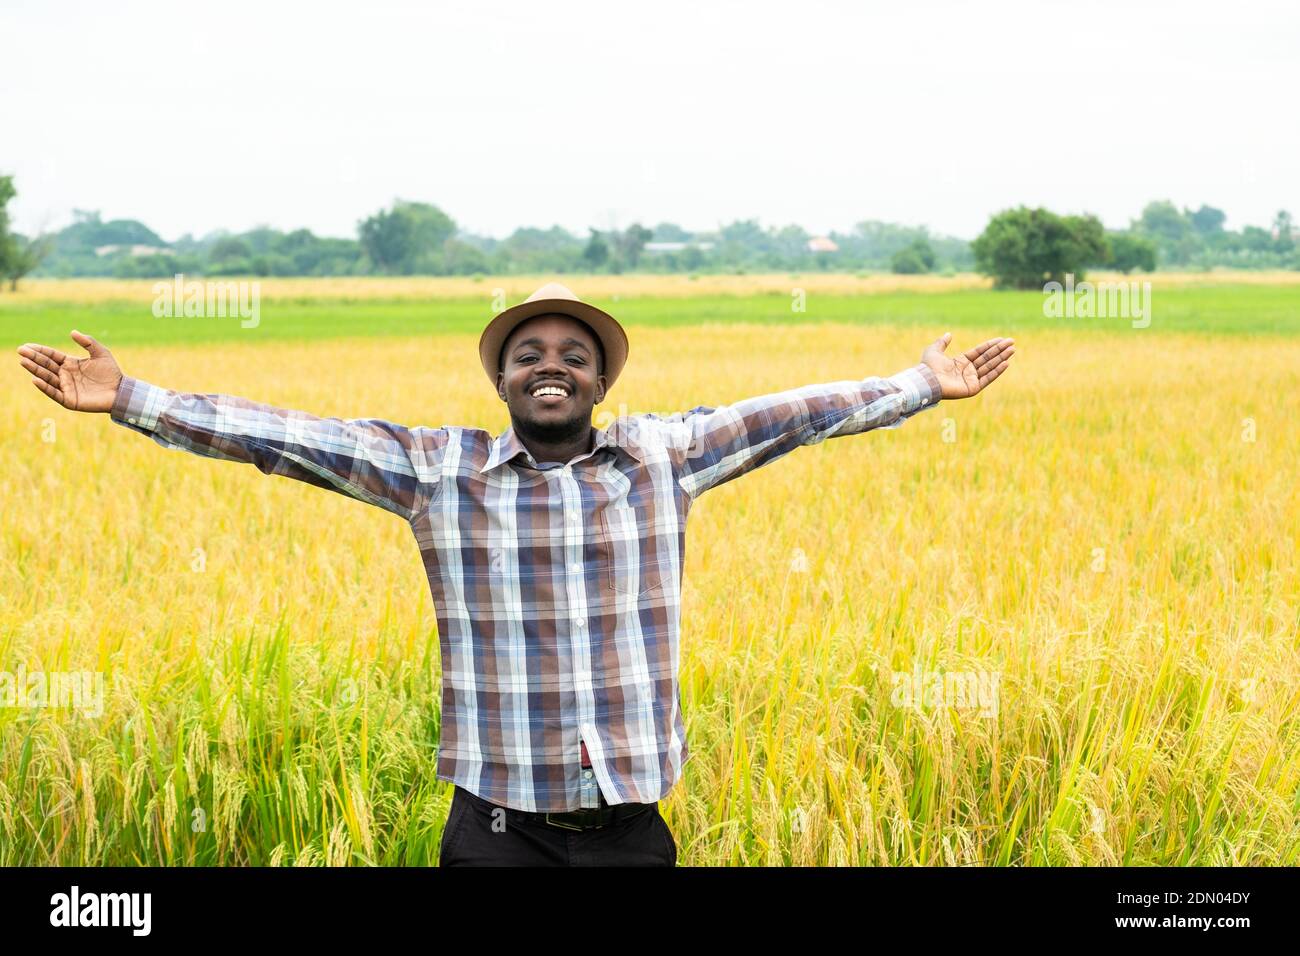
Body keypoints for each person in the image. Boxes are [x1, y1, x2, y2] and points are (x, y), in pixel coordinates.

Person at [16, 281, 1015, 866]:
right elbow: (285, 437)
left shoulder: (661, 458)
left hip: (631, 833)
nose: (552, 363)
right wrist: (135, 398)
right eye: (529, 352)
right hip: (494, 836)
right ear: (501, 380)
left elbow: (795, 413)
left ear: (600, 381)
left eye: (574, 354)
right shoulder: (436, 470)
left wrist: (921, 383)